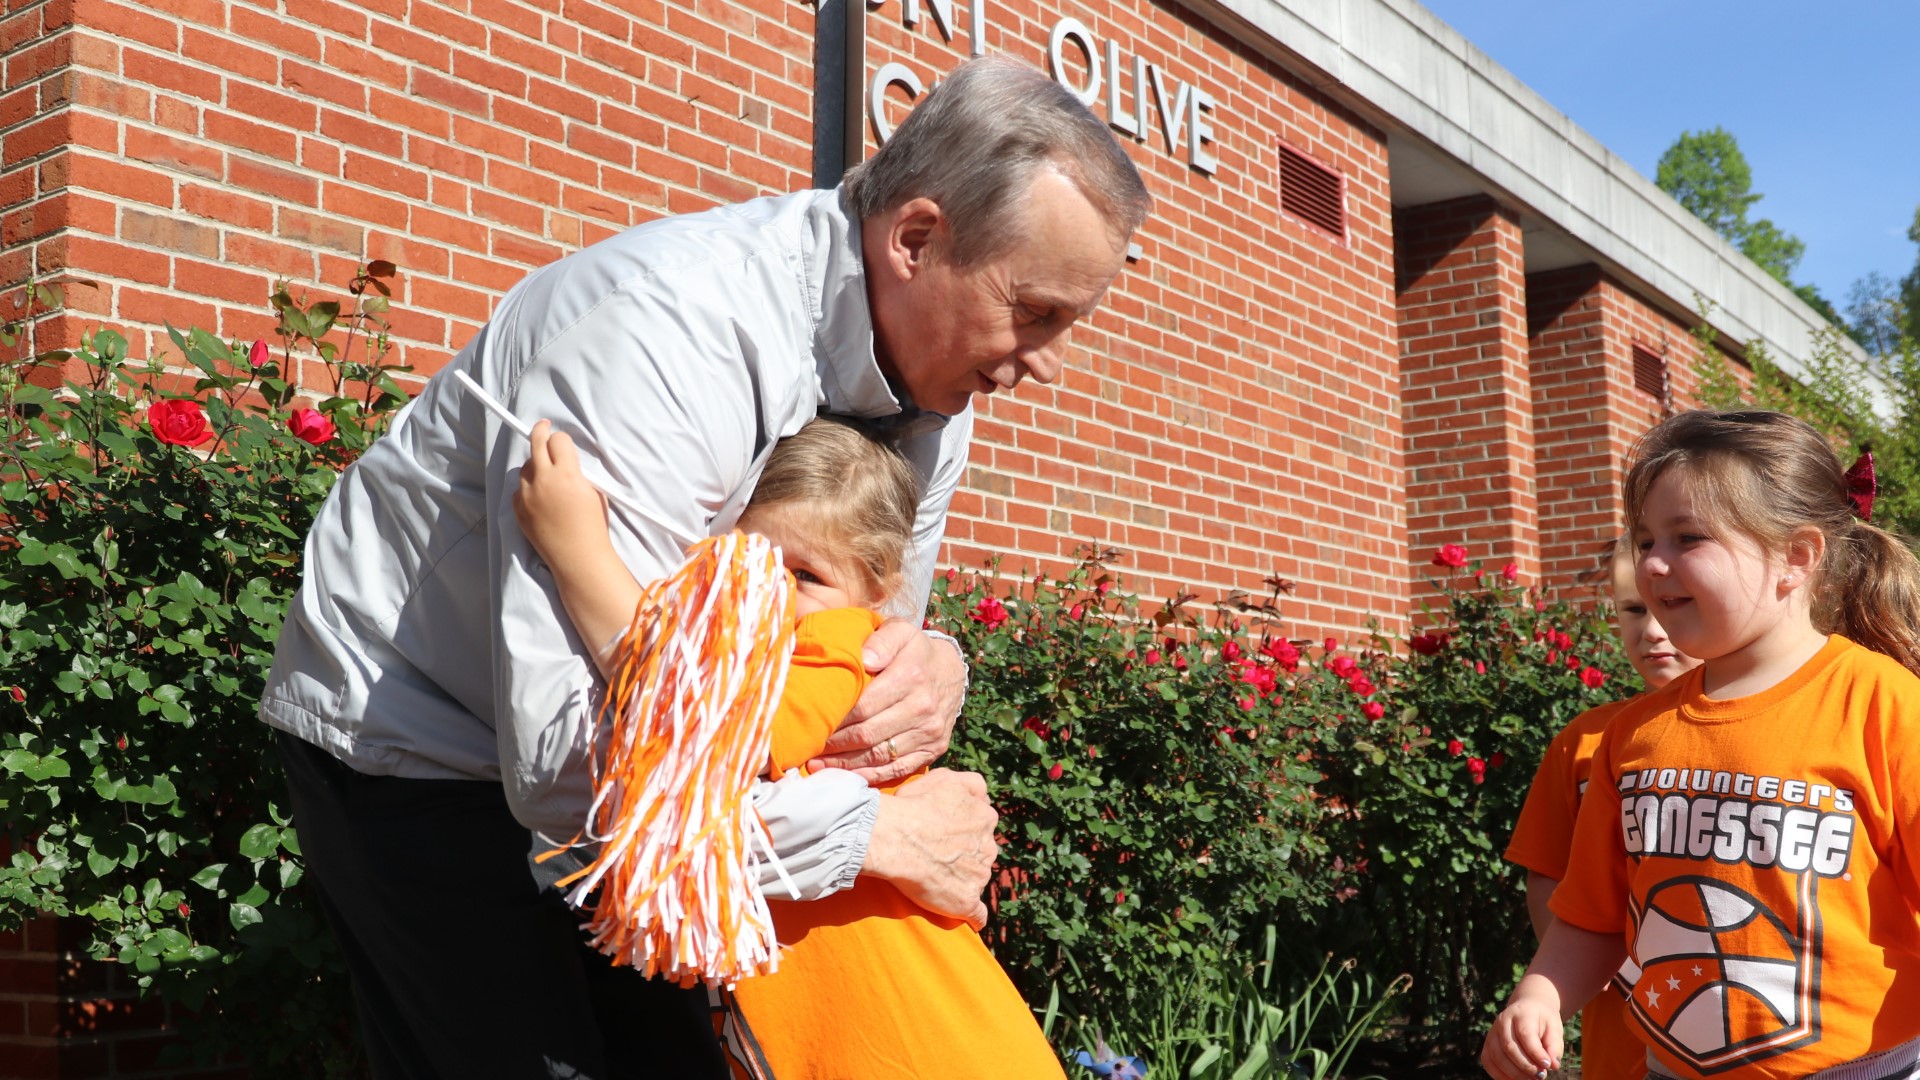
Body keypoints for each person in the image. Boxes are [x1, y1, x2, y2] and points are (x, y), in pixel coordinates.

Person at [260, 54, 1150, 1079]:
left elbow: (856, 641)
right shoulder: (658, 331)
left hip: (668, 782)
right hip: (426, 751)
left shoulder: (938, 383)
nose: (1046, 360)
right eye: (1036, 312)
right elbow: (567, 772)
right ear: (915, 238)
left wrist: (927, 664)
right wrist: (876, 836)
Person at [516, 414, 1065, 1078]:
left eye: (806, 574)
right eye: (755, 559)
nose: (773, 595)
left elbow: (710, 726)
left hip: (927, 1041)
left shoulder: (836, 647)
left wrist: (575, 548)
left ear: (878, 587)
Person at [1481, 409, 1920, 1080]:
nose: (1653, 563)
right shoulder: (1634, 735)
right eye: (1645, 538)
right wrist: (1540, 993)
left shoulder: (1886, 707)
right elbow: (1593, 916)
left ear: (1796, 557)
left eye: (1688, 537)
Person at [1502, 537, 1701, 1080]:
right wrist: (1590, 966)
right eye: (1634, 609)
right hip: (1619, 1022)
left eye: (1670, 606)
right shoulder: (1585, 739)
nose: (1652, 629)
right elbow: (1547, 870)